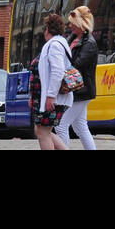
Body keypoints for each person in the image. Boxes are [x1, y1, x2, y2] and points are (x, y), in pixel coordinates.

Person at [56, 6, 98, 150]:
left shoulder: (89, 44)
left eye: (72, 23)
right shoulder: (74, 38)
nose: (70, 26)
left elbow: (77, 65)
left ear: (81, 23)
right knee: (80, 127)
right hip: (78, 90)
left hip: (80, 90)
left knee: (61, 126)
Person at [33, 12, 73, 150]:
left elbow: (57, 71)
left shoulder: (54, 45)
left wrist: (51, 96)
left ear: (47, 29)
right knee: (42, 131)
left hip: (53, 97)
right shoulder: (58, 43)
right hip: (51, 97)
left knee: (43, 132)